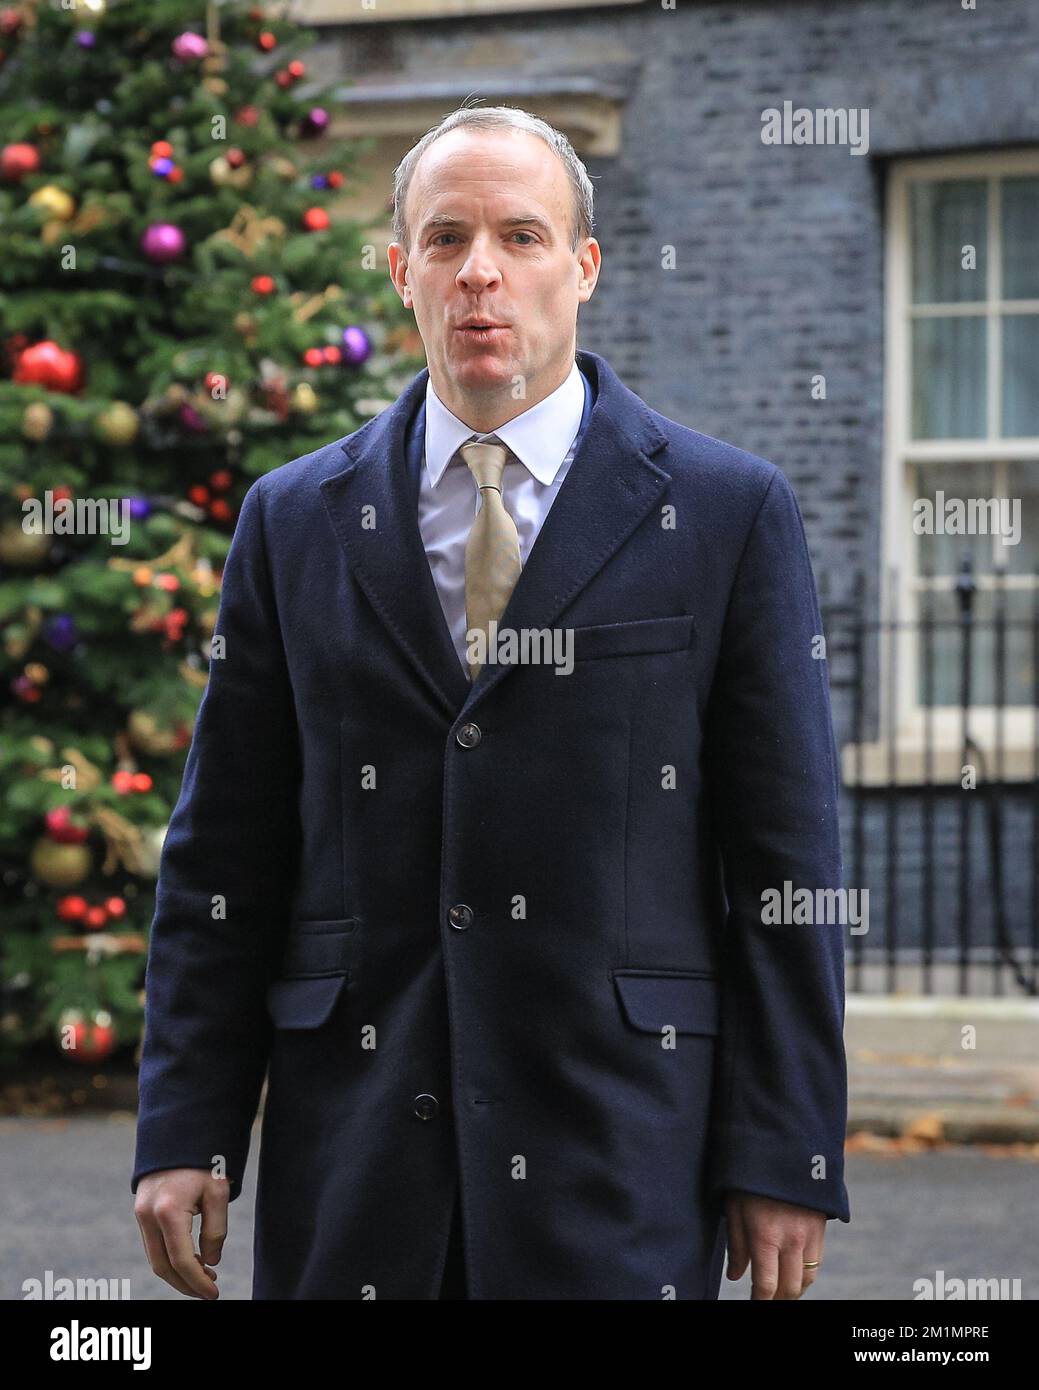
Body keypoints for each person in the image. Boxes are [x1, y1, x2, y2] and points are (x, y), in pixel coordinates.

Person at [132, 103, 849, 1301]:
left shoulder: (728, 513)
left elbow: (784, 858)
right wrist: (185, 1125)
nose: (480, 271)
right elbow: (226, 852)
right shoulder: (291, 519)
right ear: (401, 268)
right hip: (355, 1162)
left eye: (520, 236)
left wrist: (787, 1147)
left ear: (583, 268)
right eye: (446, 236)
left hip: (615, 1157)